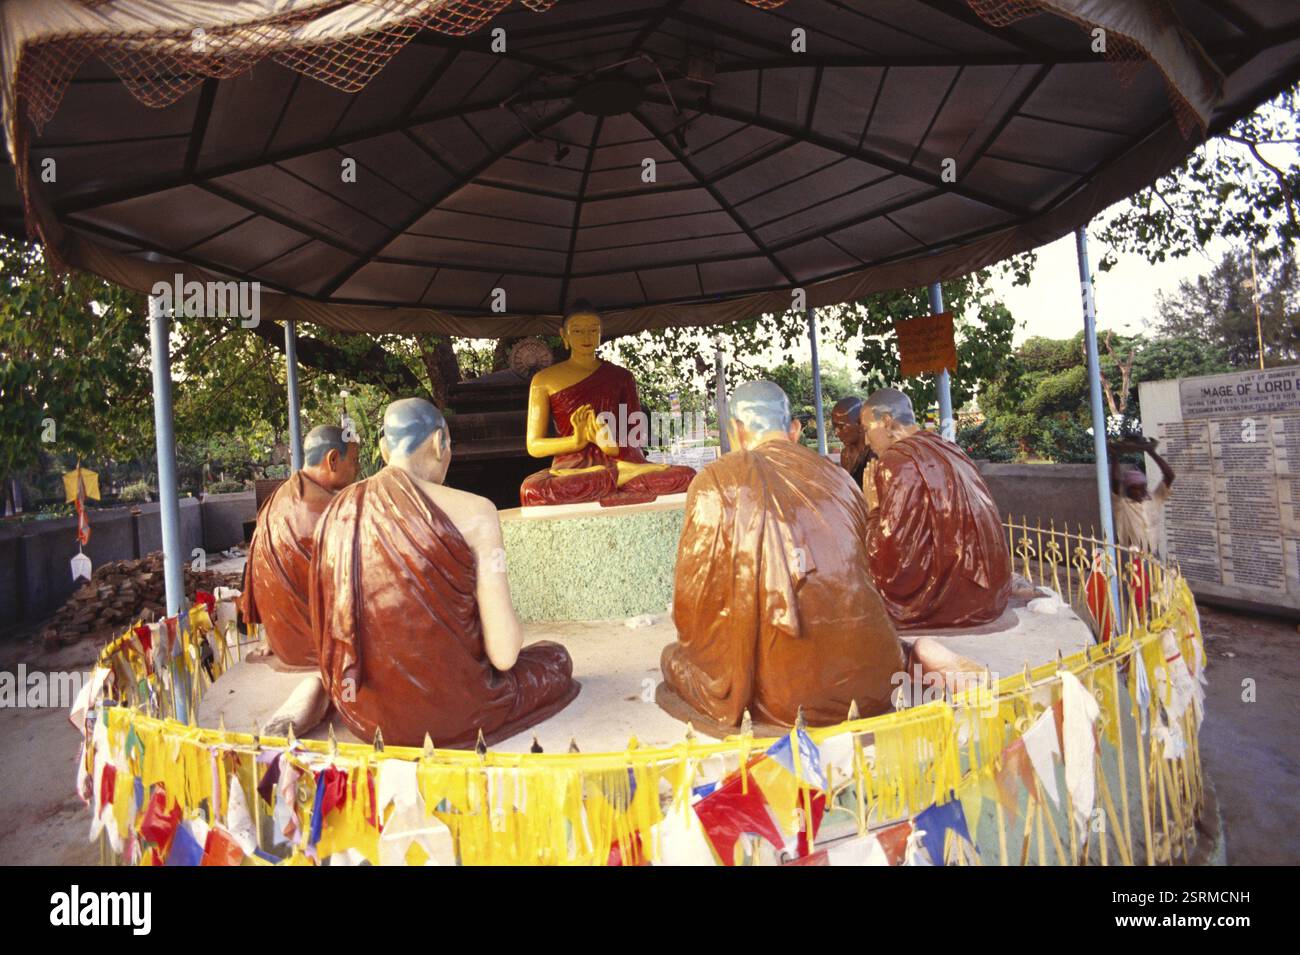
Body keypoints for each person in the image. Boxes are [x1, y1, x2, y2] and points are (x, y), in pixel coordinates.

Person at [310, 398, 578, 747]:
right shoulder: (475, 510)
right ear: (440, 442)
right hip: (455, 712)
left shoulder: (335, 513)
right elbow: (505, 653)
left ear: (385, 450)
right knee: (555, 658)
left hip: (364, 714)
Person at [660, 380, 905, 728]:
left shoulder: (717, 480)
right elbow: (867, 573)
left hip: (788, 696)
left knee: (672, 659)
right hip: (881, 678)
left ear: (736, 430)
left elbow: (692, 606)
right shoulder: (841, 479)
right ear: (793, 429)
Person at [860, 388, 1011, 629]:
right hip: (991, 592)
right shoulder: (948, 448)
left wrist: (873, 509)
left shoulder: (896, 460)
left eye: (867, 429)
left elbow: (894, 559)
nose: (866, 441)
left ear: (887, 422)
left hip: (952, 602)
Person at [520, 300, 695, 506]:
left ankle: (614, 474)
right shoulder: (544, 380)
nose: (586, 337)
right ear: (564, 335)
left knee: (687, 475)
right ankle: (619, 476)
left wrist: (610, 446)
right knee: (533, 490)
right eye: (577, 331)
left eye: (593, 330)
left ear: (601, 333)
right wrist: (576, 442)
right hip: (570, 470)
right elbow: (534, 445)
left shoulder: (620, 377)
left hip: (620, 460)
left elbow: (635, 437)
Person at [240, 425, 358, 666]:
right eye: (354, 461)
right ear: (333, 459)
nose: (358, 469)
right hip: (319, 648)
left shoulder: (276, 499)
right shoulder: (326, 509)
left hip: (282, 643)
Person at [1108, 436, 1175, 554]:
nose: (1138, 492)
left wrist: (1151, 452)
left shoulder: (1154, 499)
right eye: (1133, 488)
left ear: (1145, 487)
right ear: (1127, 490)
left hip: (1153, 554)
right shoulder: (1122, 505)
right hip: (1131, 557)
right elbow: (1116, 481)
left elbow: (1169, 476)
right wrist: (1114, 456)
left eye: (1141, 487)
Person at [831, 395, 871, 488]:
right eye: (834, 427)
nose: (836, 433)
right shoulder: (845, 454)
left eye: (841, 427)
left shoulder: (873, 454)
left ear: (861, 423)